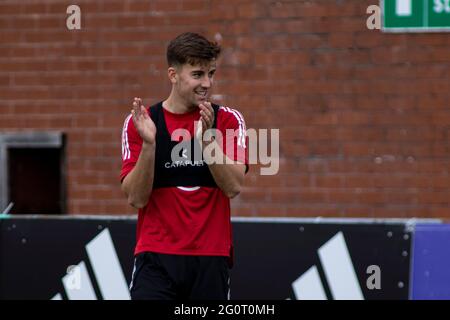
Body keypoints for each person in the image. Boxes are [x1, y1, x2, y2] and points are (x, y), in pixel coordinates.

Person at [120, 32, 248, 300]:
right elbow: (136, 198)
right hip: (155, 258)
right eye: (198, 74)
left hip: (210, 258)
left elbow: (233, 186)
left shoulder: (228, 120)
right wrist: (149, 145)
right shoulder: (142, 122)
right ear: (173, 75)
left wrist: (207, 140)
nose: (207, 83)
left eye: (211, 73)